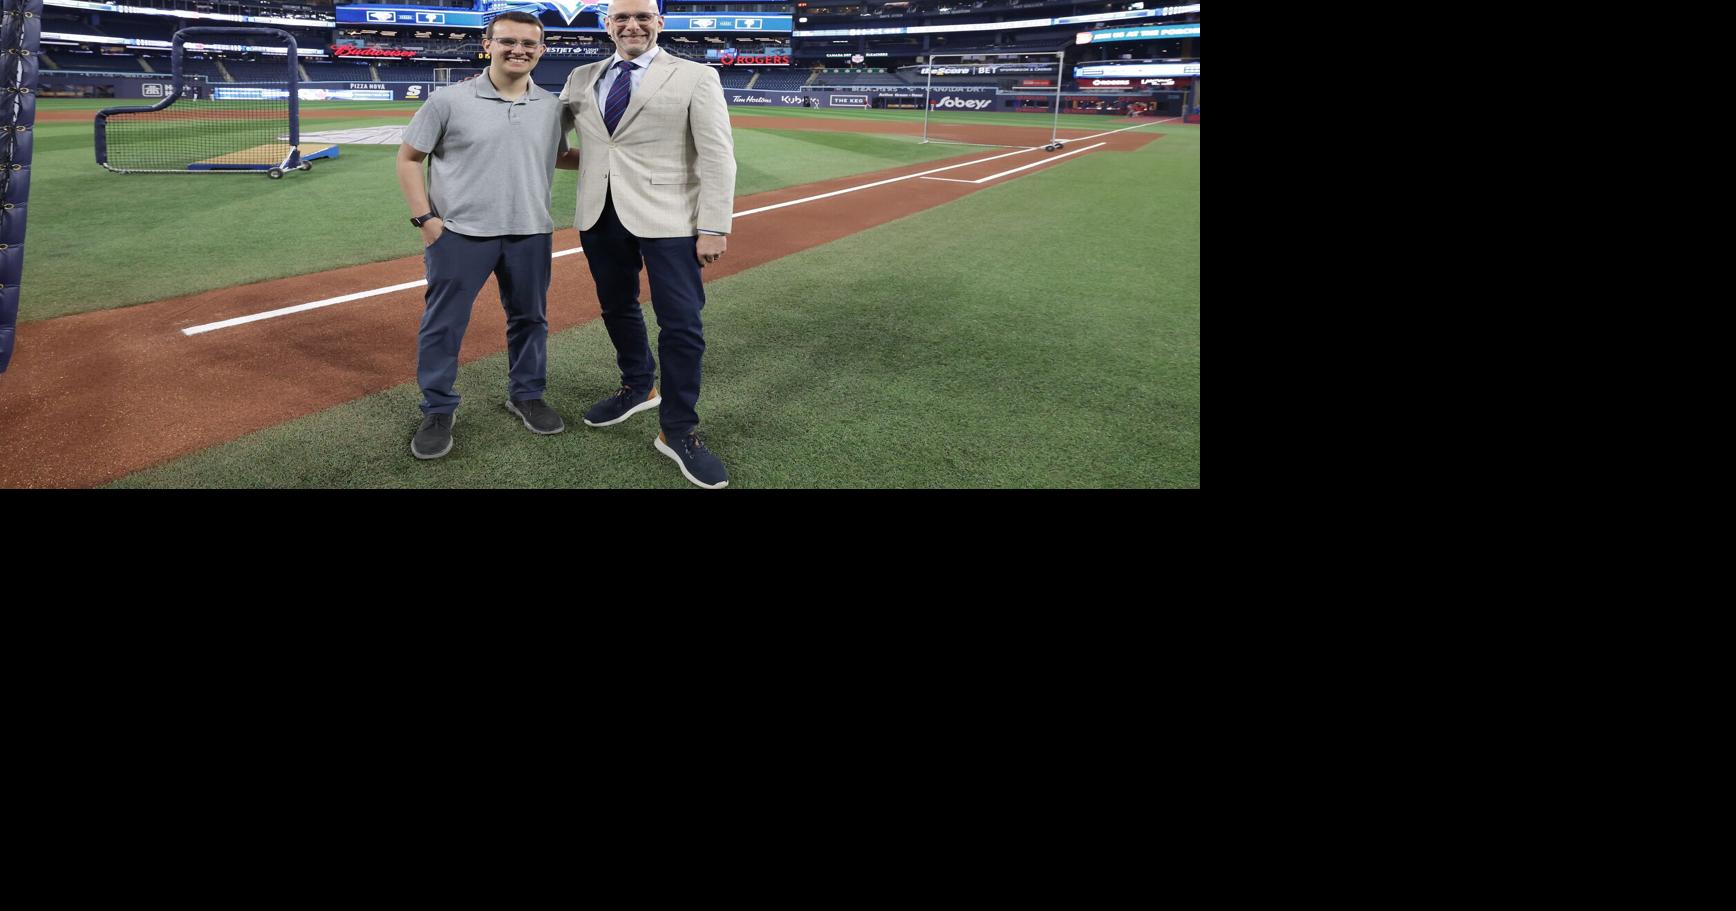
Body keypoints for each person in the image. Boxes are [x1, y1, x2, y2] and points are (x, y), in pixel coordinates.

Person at [558, 0, 737, 488]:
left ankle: (678, 431)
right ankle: (638, 386)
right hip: (600, 214)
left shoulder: (695, 75)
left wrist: (714, 224)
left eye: (642, 17)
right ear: (607, 25)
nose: (631, 25)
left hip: (673, 218)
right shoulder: (582, 76)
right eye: (621, 18)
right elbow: (551, 140)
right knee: (616, 307)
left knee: (681, 324)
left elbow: (718, 155)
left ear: (659, 23)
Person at [396, 10, 571, 460]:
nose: (519, 50)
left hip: (530, 232)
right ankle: (438, 408)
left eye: (529, 44)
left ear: (541, 50)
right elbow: (409, 158)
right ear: (487, 45)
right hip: (460, 234)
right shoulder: (448, 100)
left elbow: (557, 157)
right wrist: (426, 220)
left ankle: (526, 394)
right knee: (445, 324)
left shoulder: (552, 108)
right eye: (508, 41)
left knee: (530, 319)